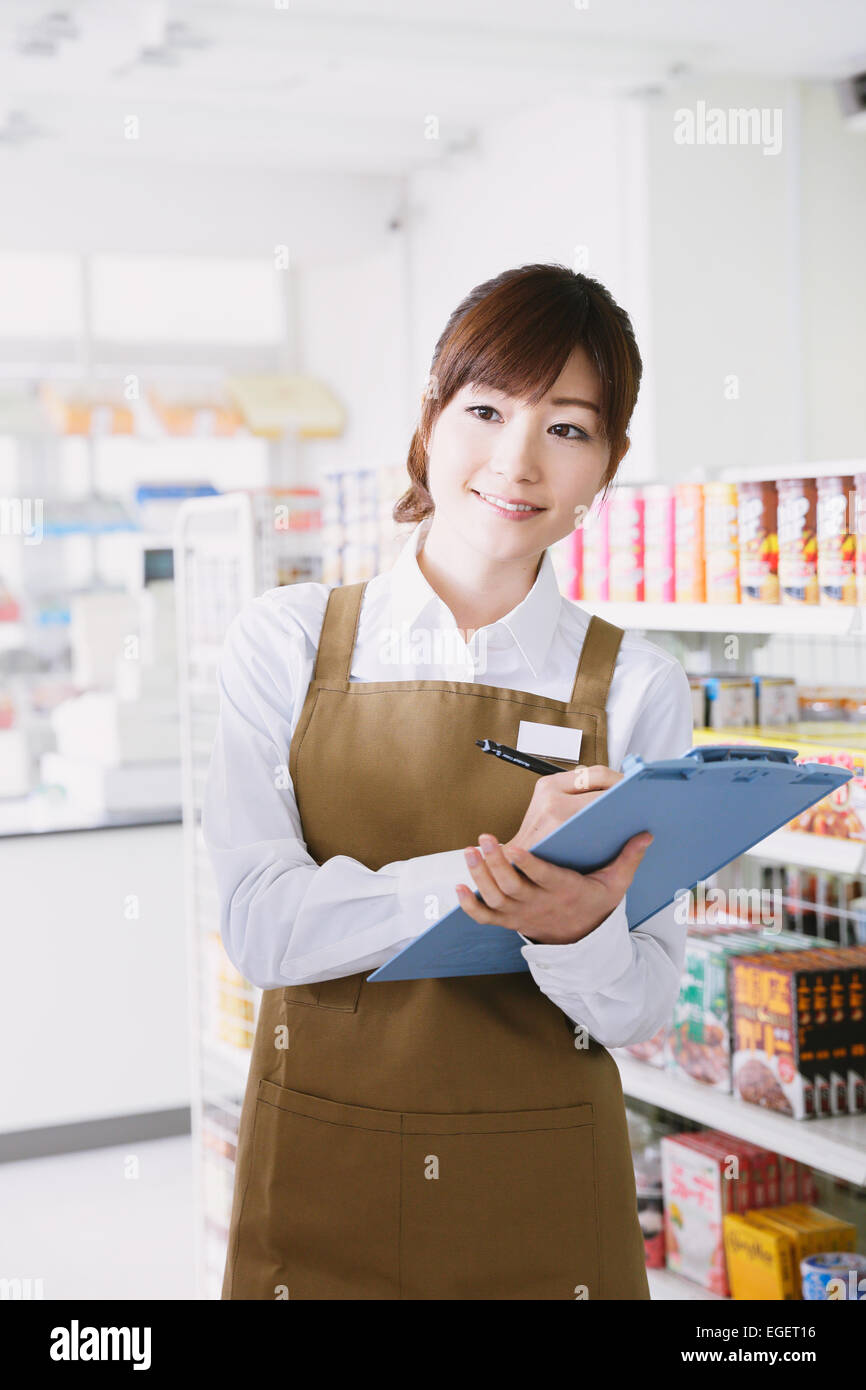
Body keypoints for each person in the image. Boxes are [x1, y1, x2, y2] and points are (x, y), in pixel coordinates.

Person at [203, 263, 693, 1300]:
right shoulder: (284, 642)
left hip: (543, 1188)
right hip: (321, 1173)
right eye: (484, 408)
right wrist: (497, 878)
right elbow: (261, 929)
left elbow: (642, 999)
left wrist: (575, 930)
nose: (516, 460)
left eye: (566, 427)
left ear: (606, 464)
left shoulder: (639, 686)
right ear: (429, 420)